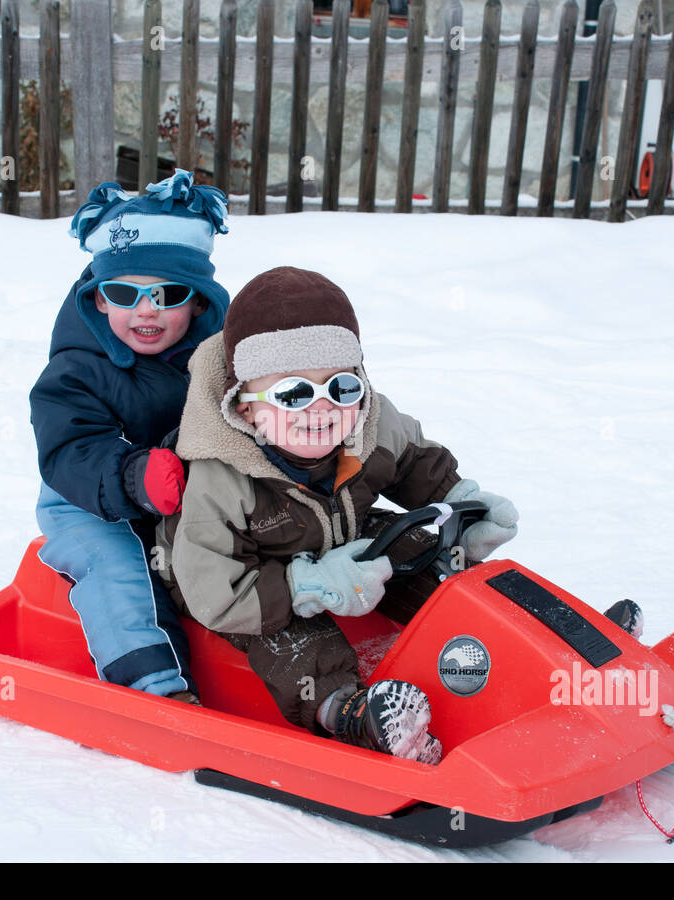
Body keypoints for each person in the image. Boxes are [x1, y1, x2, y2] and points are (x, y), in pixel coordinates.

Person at [154, 266, 523, 763]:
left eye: (341, 387)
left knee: (424, 548)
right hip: (243, 579)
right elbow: (213, 588)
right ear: (244, 408)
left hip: (329, 539)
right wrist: (306, 587)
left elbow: (415, 460)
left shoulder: (368, 423)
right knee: (293, 639)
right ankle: (353, 713)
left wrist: (462, 503)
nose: (322, 409)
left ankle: (526, 640)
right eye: (293, 394)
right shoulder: (221, 476)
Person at [29, 170, 230, 704]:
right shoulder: (76, 371)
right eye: (125, 293)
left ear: (199, 302)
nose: (147, 310)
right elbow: (71, 448)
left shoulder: (215, 362)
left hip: (191, 492)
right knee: (119, 567)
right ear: (98, 300)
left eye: (167, 294)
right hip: (87, 502)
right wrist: (131, 476)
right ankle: (152, 682)